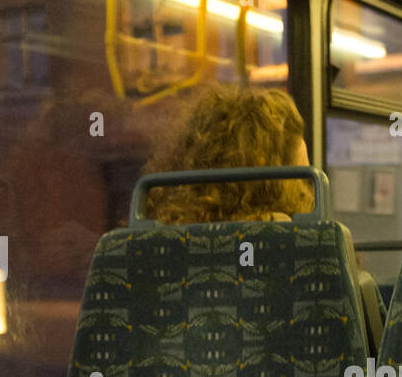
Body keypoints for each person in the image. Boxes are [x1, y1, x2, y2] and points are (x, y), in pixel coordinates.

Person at [145, 83, 386, 353]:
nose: (307, 190)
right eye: (302, 178)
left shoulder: (153, 259)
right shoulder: (318, 259)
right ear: (288, 185)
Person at [145, 83, 315, 224]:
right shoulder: (287, 235)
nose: (307, 193)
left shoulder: (161, 232)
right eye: (301, 182)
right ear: (281, 186)